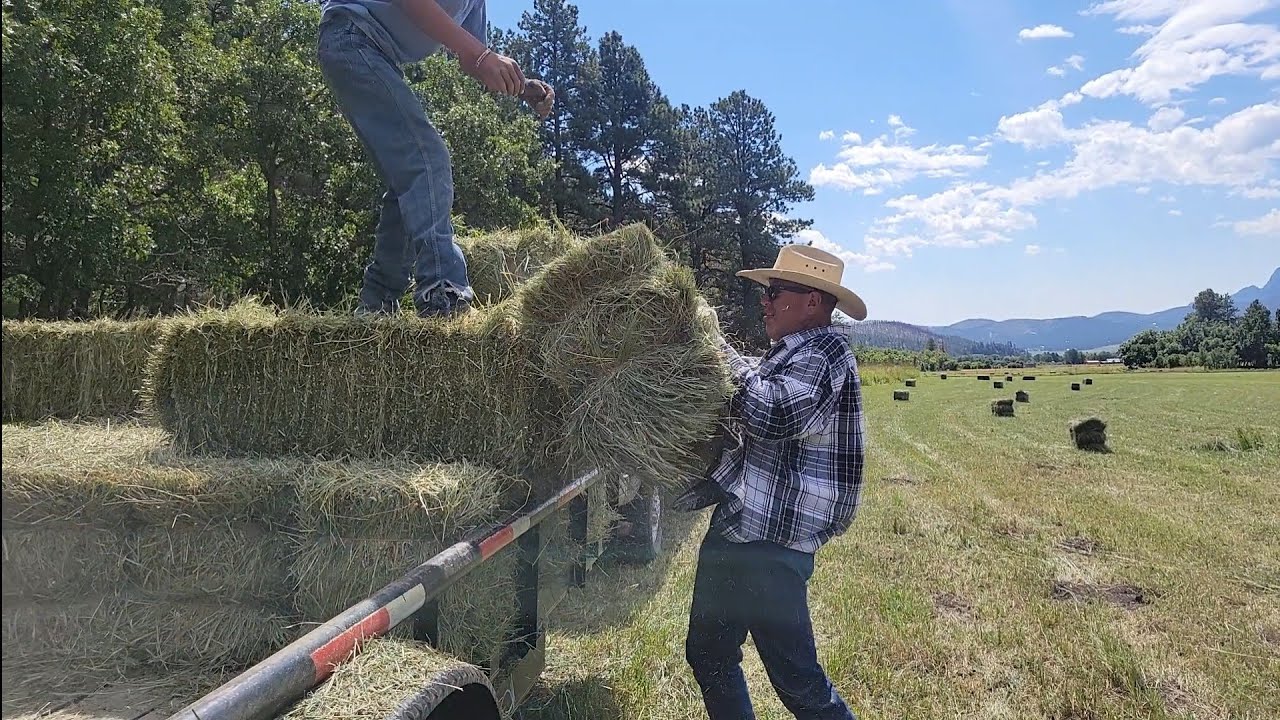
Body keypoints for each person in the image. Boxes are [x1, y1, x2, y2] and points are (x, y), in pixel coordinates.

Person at [682, 244, 868, 720]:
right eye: (767, 291)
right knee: (709, 654)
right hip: (738, 534)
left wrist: (713, 346)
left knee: (798, 684)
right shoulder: (785, 356)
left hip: (773, 545)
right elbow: (751, 449)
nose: (764, 301)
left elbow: (772, 412)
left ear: (812, 301)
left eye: (776, 291)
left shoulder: (827, 353)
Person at [316, 0, 554, 317]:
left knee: (411, 180)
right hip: (352, 35)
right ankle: (443, 291)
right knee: (427, 158)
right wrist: (483, 57)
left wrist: (522, 87)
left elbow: (472, 58)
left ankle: (377, 306)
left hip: (373, 53)